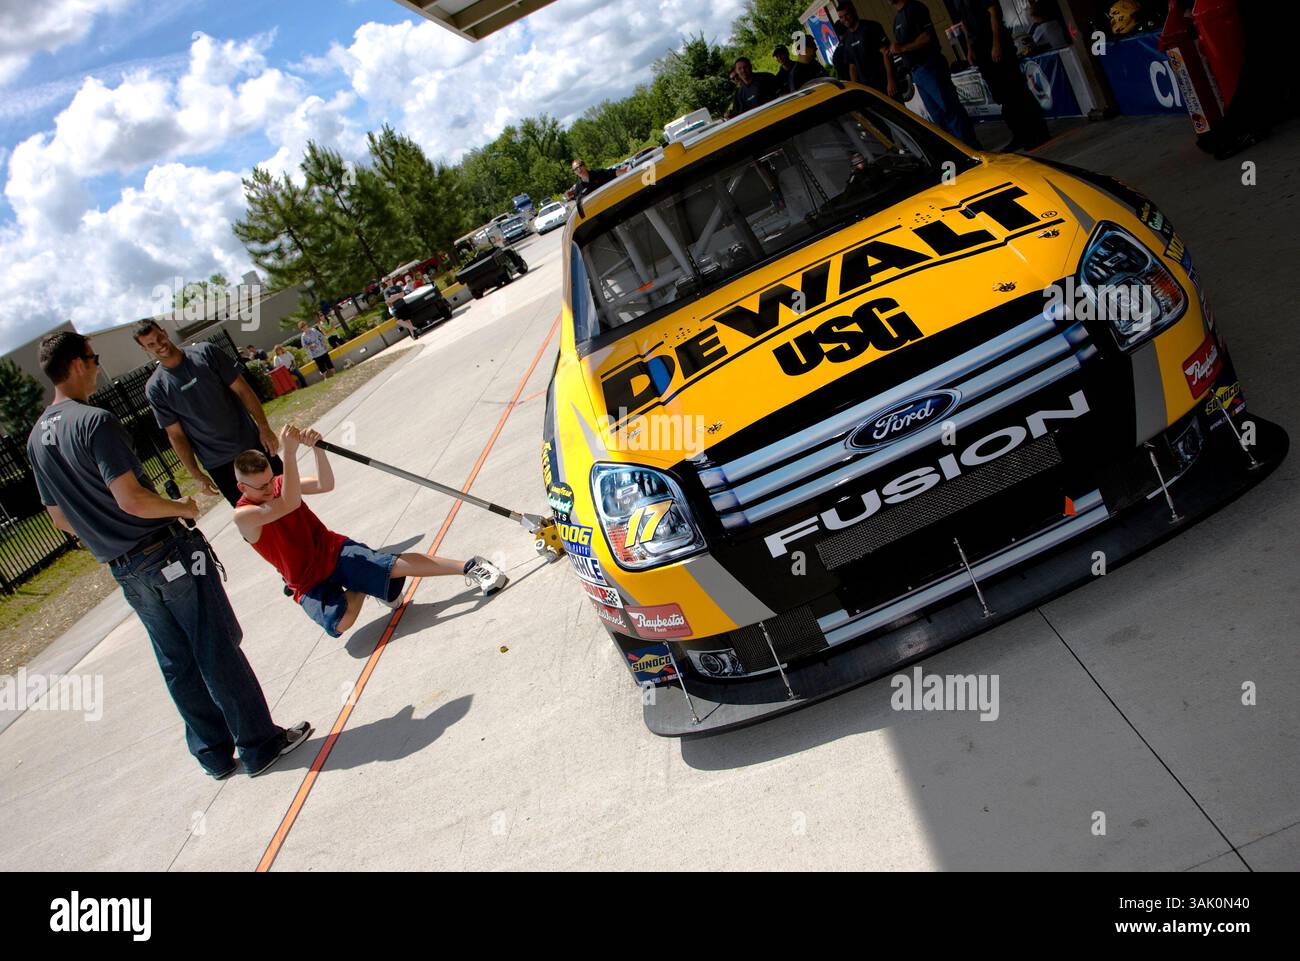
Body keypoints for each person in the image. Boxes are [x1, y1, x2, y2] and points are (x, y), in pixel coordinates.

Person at [26, 332, 312, 778]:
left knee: (176, 660)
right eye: (94, 358)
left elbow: (60, 518)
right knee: (216, 645)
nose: (98, 367)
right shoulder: (93, 422)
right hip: (161, 550)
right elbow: (132, 500)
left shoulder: (35, 441)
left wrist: (103, 534)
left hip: (125, 569)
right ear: (77, 364)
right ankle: (260, 743)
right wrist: (182, 508)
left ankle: (214, 754)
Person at [233, 426, 507, 638]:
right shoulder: (244, 516)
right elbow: (289, 503)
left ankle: (471, 566)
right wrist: (290, 454)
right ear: (242, 488)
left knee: (394, 565)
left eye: (271, 480)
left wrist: (317, 449)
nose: (270, 488)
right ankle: (367, 582)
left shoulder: (282, 483)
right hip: (305, 580)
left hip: (333, 551)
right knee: (341, 624)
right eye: (261, 487)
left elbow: (325, 483)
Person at [134, 322, 283, 509]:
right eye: (151, 344)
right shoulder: (156, 388)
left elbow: (243, 390)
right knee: (253, 519)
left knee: (287, 497)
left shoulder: (206, 353)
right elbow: (176, 435)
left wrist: (264, 428)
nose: (159, 344)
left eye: (159, 337)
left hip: (252, 445)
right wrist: (196, 473)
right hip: (219, 464)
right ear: (144, 349)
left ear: (164, 332)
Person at [956, 0, 1050, 149]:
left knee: (1015, 90)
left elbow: (994, 13)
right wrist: (970, 48)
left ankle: (1038, 133)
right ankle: (1020, 134)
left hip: (995, 44)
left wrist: (996, 43)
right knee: (1002, 96)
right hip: (980, 49)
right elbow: (965, 24)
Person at [889, 0, 980, 148]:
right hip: (917, 72)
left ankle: (972, 148)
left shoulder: (915, 8)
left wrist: (903, 48)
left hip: (930, 66)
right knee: (939, 117)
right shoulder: (897, 19)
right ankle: (959, 151)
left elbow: (926, 37)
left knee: (950, 110)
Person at [831, 3, 893, 94]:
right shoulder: (847, 38)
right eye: (841, 17)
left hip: (884, 83)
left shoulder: (871, 27)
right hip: (868, 89)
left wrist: (891, 80)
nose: (845, 19)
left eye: (847, 15)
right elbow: (852, 66)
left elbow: (886, 53)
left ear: (854, 12)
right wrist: (856, 90)